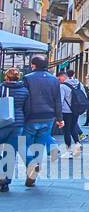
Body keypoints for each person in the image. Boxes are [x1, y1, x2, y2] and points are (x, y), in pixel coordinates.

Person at [21, 56, 60, 188]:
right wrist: (60, 119)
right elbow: (57, 101)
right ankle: (33, 175)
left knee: (24, 144)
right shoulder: (54, 80)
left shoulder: (28, 78)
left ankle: (31, 164)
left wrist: (24, 116)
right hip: (49, 117)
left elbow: (26, 99)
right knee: (40, 146)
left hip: (32, 116)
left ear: (34, 65)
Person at [0, 68, 29, 193]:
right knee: (10, 153)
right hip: (17, 124)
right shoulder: (25, 91)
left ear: (6, 77)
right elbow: (27, 109)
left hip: (1, 123)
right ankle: (5, 182)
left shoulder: (1, 88)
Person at [58, 70, 88, 156]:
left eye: (59, 78)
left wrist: (58, 113)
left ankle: (68, 151)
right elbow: (84, 97)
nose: (59, 80)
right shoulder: (79, 84)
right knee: (73, 127)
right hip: (76, 111)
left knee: (66, 130)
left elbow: (60, 101)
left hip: (66, 111)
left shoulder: (62, 86)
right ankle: (78, 144)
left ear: (64, 76)